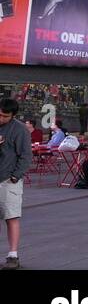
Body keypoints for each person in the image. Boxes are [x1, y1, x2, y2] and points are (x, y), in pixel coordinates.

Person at [0, 98, 31, 269]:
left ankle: (13, 255)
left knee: (11, 217)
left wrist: (15, 176)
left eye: (5, 116)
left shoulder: (20, 130)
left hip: (8, 179)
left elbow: (26, 156)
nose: (1, 119)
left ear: (12, 116)